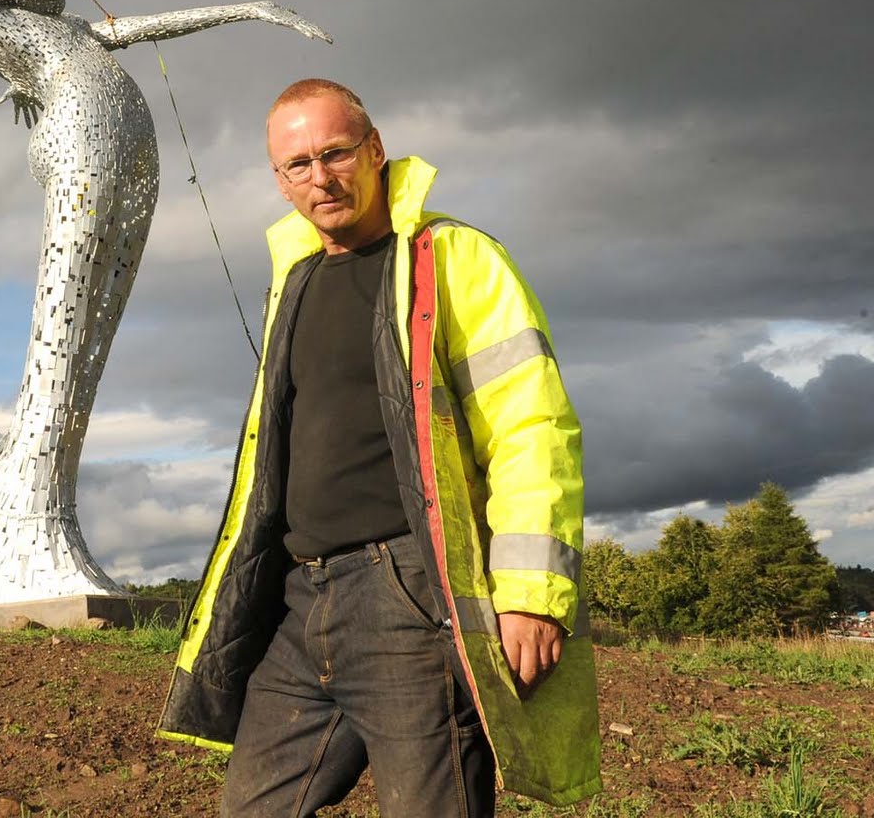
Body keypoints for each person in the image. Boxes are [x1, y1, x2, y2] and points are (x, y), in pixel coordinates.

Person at [158, 79, 601, 815]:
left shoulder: (453, 257)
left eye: (334, 153)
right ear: (278, 178)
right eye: (296, 164)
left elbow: (531, 425)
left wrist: (531, 597)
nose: (319, 178)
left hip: (406, 598)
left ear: (375, 150)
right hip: (301, 605)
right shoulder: (295, 280)